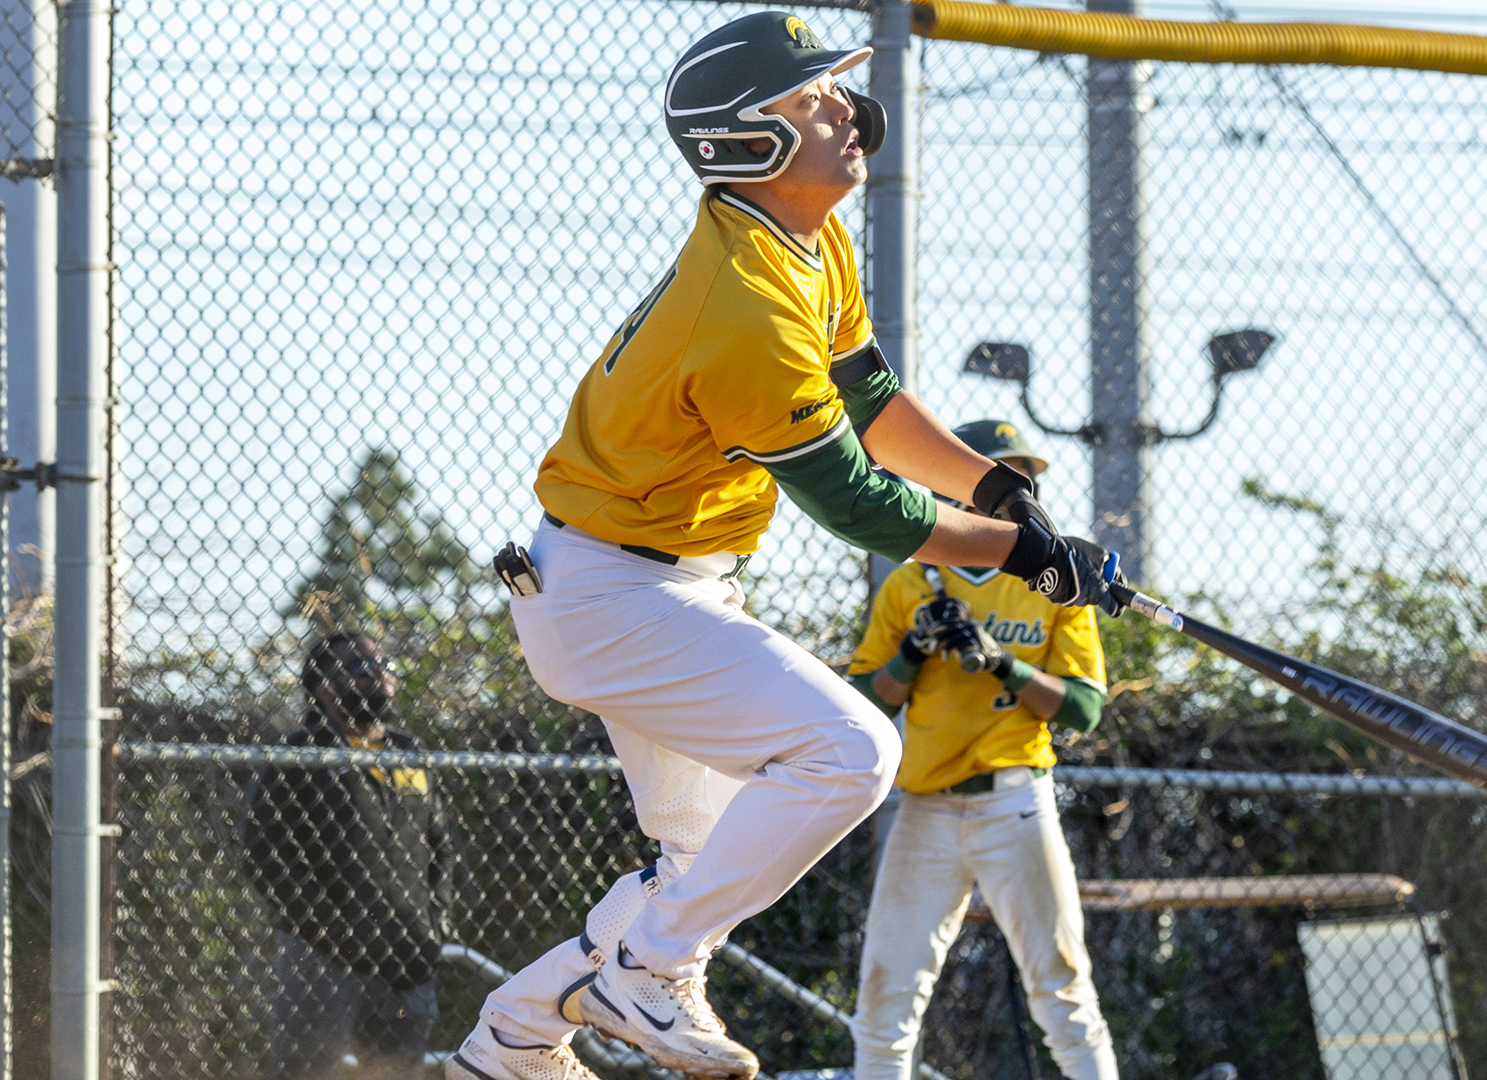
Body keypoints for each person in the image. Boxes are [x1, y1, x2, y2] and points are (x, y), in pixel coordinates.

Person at [447, 14, 1126, 1080]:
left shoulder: (802, 242)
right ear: (743, 143)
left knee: (691, 860)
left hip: (647, 586)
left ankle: (516, 1039)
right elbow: (853, 499)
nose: (847, 113)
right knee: (851, 753)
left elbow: (874, 404)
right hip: (616, 599)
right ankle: (649, 970)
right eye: (811, 103)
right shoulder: (749, 308)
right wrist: (1016, 554)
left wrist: (999, 493)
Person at [846, 421, 1118, 1080]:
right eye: (1001, 477)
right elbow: (865, 704)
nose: (1015, 494)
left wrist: (1004, 666)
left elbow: (1083, 708)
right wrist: (913, 653)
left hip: (1015, 802)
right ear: (957, 486)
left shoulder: (1052, 584)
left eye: (1021, 480)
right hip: (926, 810)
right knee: (885, 998)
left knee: (1061, 990)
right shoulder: (912, 585)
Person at [242, 631, 459, 1080]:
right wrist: (325, 928)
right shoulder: (300, 754)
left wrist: (435, 923)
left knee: (399, 1072)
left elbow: (443, 846)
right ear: (323, 687)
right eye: (361, 667)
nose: (379, 674)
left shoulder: (408, 752)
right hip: (324, 957)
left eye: (385, 664)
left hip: (406, 952)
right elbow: (263, 853)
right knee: (305, 1071)